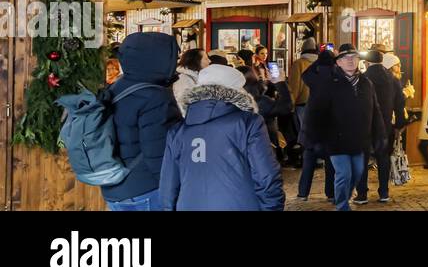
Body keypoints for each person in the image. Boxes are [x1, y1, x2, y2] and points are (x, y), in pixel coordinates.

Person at [159, 64, 284, 211]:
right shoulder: (248, 123)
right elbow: (266, 176)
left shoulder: (178, 131)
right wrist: (272, 208)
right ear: (237, 90)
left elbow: (168, 185)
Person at [101, 32, 182, 211]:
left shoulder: (118, 86)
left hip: (114, 187)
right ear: (158, 58)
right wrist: (175, 190)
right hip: (146, 188)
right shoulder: (155, 96)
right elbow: (159, 154)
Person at [304, 43, 385, 211]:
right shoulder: (329, 83)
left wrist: (380, 135)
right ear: (338, 62)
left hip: (360, 139)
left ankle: (344, 198)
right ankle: (342, 206)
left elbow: (375, 110)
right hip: (336, 139)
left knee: (356, 173)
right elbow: (316, 112)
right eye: (345, 58)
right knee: (344, 174)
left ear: (359, 61)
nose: (350, 61)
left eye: (354, 57)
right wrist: (316, 139)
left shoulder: (366, 83)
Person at [360, 48, 407, 204]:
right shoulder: (392, 78)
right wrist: (399, 123)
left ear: (367, 62)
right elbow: (400, 103)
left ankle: (362, 194)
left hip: (366, 125)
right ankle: (384, 192)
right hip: (385, 124)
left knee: (363, 159)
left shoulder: (363, 78)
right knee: (383, 158)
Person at [295, 47, 336, 201]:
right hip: (330, 123)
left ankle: (303, 193)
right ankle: (331, 194)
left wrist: (316, 62)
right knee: (331, 164)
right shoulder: (335, 76)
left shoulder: (314, 77)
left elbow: (305, 75)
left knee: (308, 162)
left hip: (312, 124)